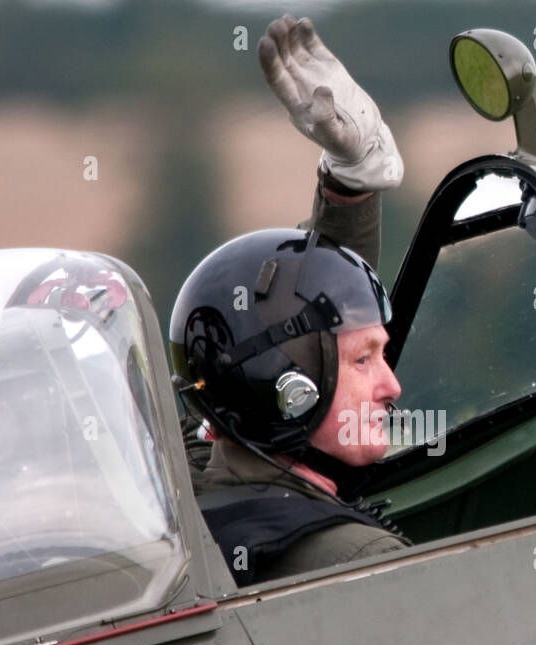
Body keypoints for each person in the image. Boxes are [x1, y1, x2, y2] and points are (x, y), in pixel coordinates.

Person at [170, 15, 410, 585]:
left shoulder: (180, 493)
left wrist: (351, 185)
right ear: (290, 394)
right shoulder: (360, 563)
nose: (392, 386)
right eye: (363, 360)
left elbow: (289, 331)